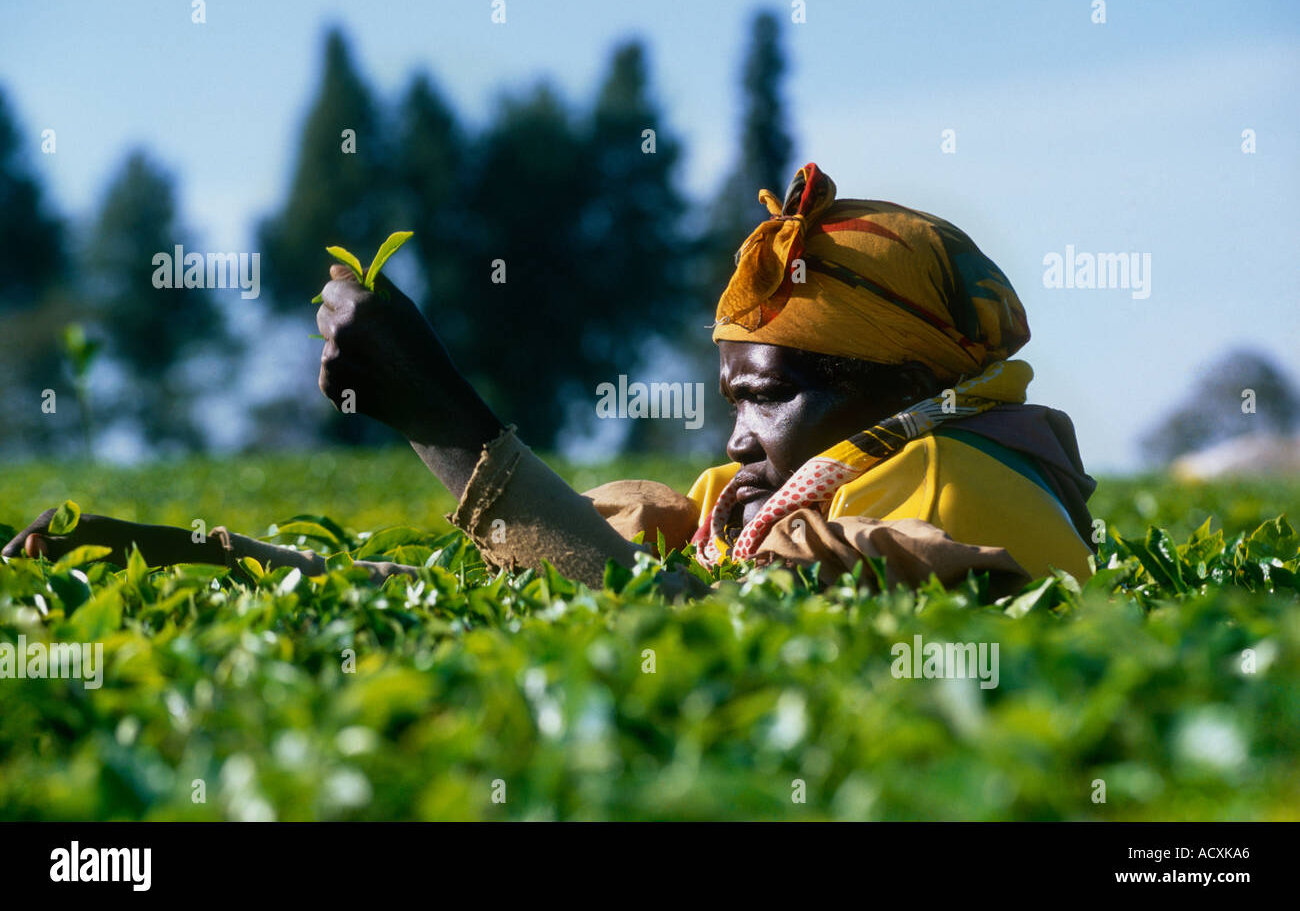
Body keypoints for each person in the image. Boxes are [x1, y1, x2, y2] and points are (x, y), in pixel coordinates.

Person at [4, 163, 1095, 597]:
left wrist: (444, 425)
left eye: (769, 395)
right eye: (731, 400)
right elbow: (512, 595)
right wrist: (186, 555)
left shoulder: (956, 491)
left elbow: (678, 630)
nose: (734, 440)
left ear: (907, 387)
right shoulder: (750, 506)